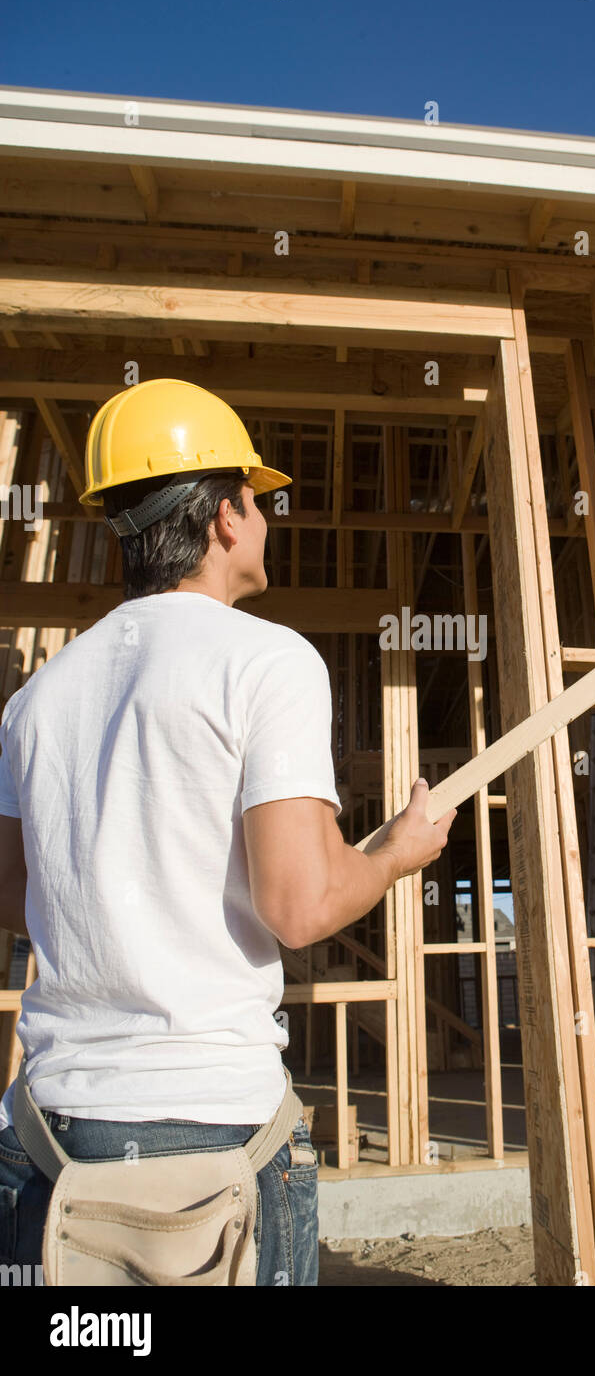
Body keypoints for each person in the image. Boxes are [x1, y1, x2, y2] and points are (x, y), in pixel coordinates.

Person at [0, 379, 456, 1285]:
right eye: (260, 498)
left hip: (45, 1141)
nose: (267, 518)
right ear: (221, 517)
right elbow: (299, 905)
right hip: (209, 1145)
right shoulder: (268, 660)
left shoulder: (37, 698)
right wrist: (396, 853)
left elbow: (16, 898)